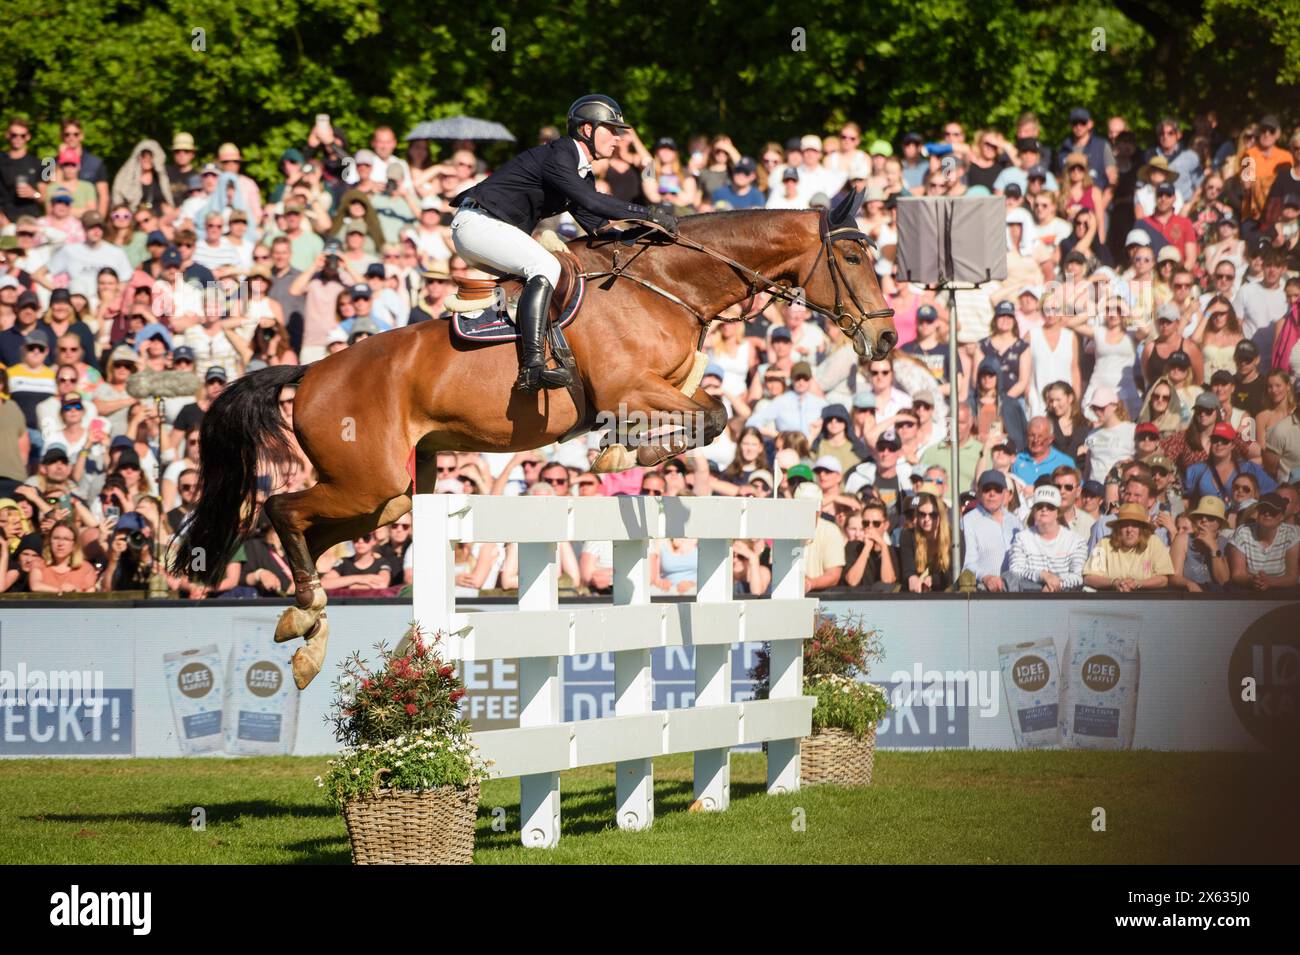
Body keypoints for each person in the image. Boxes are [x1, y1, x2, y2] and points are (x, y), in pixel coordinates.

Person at [448, 94, 676, 391]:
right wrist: (647, 213)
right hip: (477, 224)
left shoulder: (581, 171)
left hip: (491, 228)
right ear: (587, 130)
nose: (618, 140)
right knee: (545, 264)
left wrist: (640, 237)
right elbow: (592, 201)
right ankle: (532, 366)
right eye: (612, 129)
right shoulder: (560, 155)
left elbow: (597, 228)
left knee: (544, 270)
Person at [1004, 485, 1086, 591]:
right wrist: (1043, 575)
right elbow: (1015, 571)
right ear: (1033, 511)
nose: (1044, 509)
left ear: (1058, 511)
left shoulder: (1076, 541)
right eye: (1039, 506)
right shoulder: (1021, 538)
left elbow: (1078, 577)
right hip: (1028, 599)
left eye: (1050, 506)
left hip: (1064, 600)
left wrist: (1055, 585)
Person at [1082, 503, 1174, 591]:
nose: (1129, 530)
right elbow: (1089, 577)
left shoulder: (1154, 542)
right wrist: (1114, 582)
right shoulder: (1105, 543)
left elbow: (1163, 579)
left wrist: (1138, 583)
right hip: (1111, 599)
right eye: (1125, 525)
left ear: (1142, 528)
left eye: (1135, 525)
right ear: (1118, 528)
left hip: (1146, 600)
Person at [961, 469, 1023, 591]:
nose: (992, 494)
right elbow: (966, 564)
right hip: (984, 592)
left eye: (997, 489)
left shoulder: (1015, 521)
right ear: (978, 492)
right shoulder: (968, 521)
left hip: (1015, 592)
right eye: (987, 489)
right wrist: (986, 577)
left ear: (1005, 493)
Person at [1226, 492, 1299, 592]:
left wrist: (1270, 582)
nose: (1267, 514)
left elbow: (1292, 577)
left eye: (1272, 511)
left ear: (1282, 516)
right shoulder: (1243, 532)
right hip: (1250, 590)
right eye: (1263, 510)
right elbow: (1238, 574)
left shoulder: (1291, 534)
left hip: (1282, 593)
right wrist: (1254, 581)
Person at [1170, 496, 1231, 592]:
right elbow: (1174, 577)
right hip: (1191, 597)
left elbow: (1223, 581)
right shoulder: (1182, 539)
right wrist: (1188, 584)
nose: (1204, 520)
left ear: (1220, 522)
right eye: (1200, 516)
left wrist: (1214, 547)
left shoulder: (1225, 543)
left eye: (1210, 517)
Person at [898, 491, 951, 592]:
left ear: (941, 516)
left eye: (933, 515)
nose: (927, 519)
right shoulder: (907, 535)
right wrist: (911, 578)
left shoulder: (954, 536)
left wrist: (933, 580)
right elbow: (908, 571)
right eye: (922, 514)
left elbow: (953, 573)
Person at [840, 500, 898, 591]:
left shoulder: (893, 551)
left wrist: (883, 547)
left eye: (876, 523)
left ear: (886, 525)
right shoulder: (853, 547)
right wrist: (866, 548)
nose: (870, 527)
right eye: (866, 523)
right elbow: (852, 581)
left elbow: (888, 582)